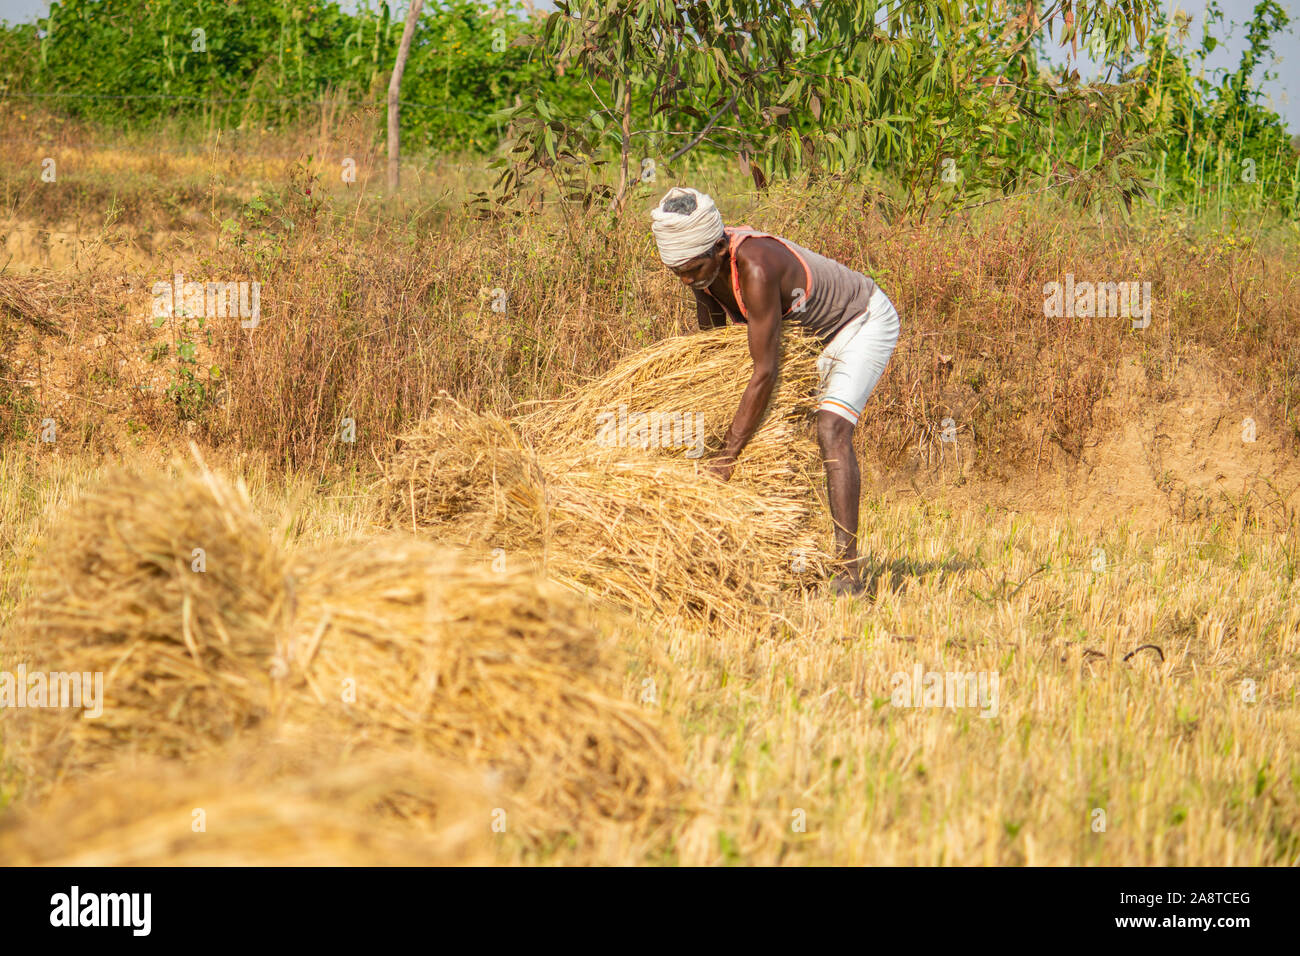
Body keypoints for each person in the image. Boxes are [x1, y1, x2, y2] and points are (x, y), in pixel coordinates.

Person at [650, 186, 900, 595]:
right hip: (807, 339)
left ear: (716, 248)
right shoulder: (703, 270)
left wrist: (727, 456)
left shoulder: (757, 266)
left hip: (859, 322)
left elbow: (764, 370)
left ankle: (849, 571)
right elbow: (719, 353)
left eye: (692, 270)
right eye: (678, 272)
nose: (686, 280)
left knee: (831, 429)